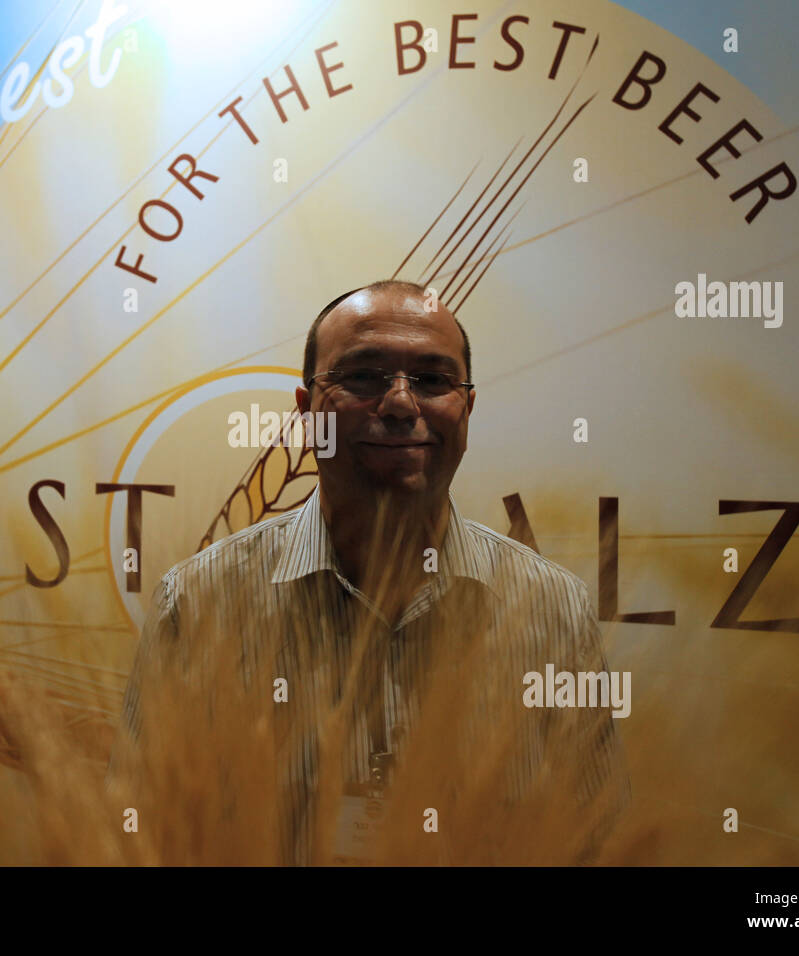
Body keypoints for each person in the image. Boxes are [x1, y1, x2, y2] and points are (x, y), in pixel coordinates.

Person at [106, 279, 630, 865]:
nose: (402, 403)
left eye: (433, 381)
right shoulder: (199, 603)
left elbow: (594, 840)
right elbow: (140, 838)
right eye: (363, 377)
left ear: (468, 408)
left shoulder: (554, 608)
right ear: (307, 413)